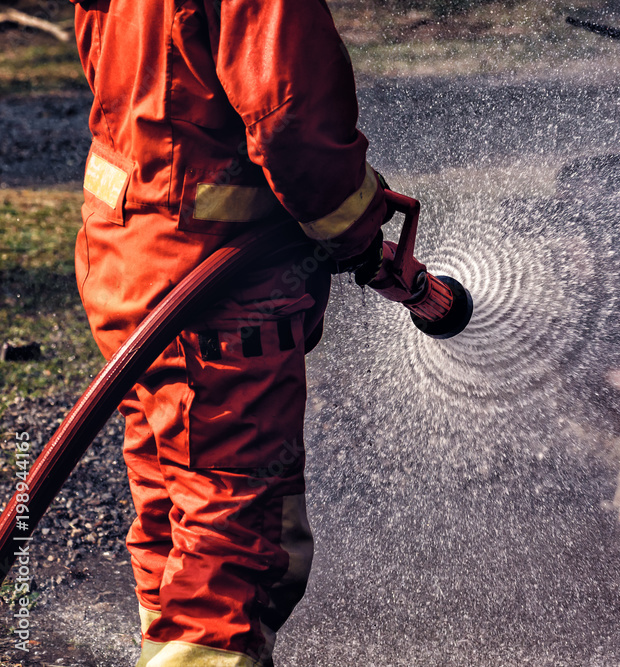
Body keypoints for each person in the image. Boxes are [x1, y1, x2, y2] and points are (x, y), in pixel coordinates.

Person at [70, 0, 387, 664]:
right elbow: (291, 121)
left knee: (174, 513)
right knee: (232, 542)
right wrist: (358, 231)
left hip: (124, 259)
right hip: (212, 283)